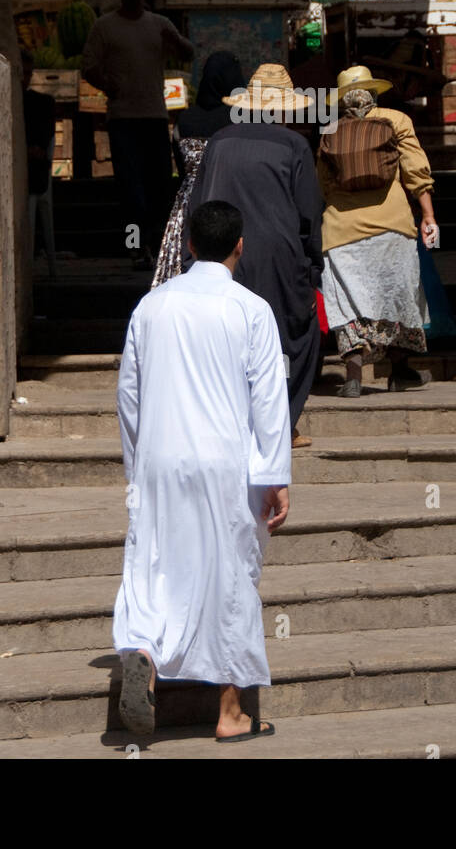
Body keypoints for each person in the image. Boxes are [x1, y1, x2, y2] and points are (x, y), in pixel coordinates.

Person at [114, 200, 290, 744]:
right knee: (230, 576)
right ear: (240, 246)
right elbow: (269, 401)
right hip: (225, 463)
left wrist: (138, 463)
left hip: (161, 458)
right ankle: (231, 713)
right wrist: (274, 475)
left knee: (152, 563)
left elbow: (129, 395)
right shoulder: (251, 309)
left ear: (188, 245)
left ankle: (143, 646)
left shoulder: (151, 307)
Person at [187, 64, 324, 449]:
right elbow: (309, 213)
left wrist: (194, 253)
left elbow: (198, 202)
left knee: (229, 337)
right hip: (279, 257)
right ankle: (280, 425)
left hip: (222, 253)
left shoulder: (219, 140)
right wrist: (313, 264)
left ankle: (231, 421)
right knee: (288, 336)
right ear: (283, 107)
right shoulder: (293, 144)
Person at [317, 66, 439, 398]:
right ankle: (400, 372)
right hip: (392, 226)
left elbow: (324, 183)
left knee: (348, 303)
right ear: (374, 90)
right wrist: (427, 214)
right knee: (397, 297)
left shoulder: (329, 125)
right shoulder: (396, 119)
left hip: (340, 230)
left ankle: (353, 376)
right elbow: (416, 169)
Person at [81, 0, 194, 266]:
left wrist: (176, 42)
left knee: (158, 185)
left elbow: (188, 53)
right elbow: (89, 66)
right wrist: (107, 83)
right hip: (122, 120)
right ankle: (134, 246)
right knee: (131, 188)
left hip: (154, 117)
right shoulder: (104, 26)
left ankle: (156, 246)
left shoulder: (159, 24)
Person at [152, 51, 245, 288]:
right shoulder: (240, 118)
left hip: (189, 204)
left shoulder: (184, 120)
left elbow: (181, 169)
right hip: (231, 199)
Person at [19, 47, 57, 277]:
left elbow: (41, 146)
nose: (25, 78)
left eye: (28, 73)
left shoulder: (41, 103)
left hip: (33, 173)